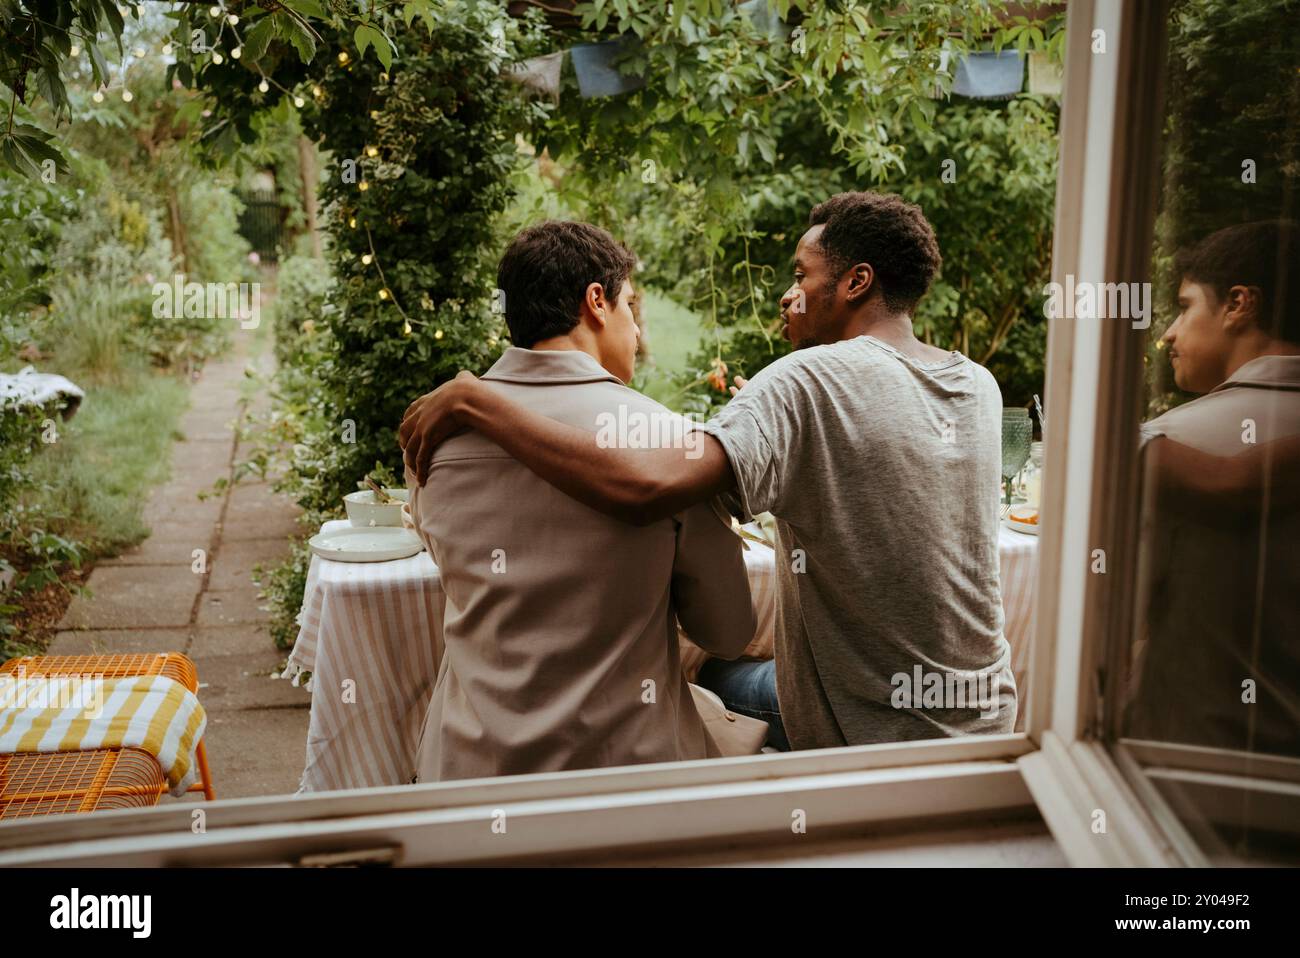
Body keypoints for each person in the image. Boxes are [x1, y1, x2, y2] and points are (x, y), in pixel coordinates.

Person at [401, 192, 1017, 750]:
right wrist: (767, 429)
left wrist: (479, 400)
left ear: (857, 282)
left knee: (713, 671)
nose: (787, 294)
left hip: (871, 731)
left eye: (802, 276)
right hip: (985, 716)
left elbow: (644, 487)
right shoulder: (976, 385)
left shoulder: (805, 382)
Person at [406, 220, 756, 782]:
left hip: (467, 772)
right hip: (628, 776)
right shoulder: (667, 443)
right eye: (631, 308)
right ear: (597, 302)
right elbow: (728, 632)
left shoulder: (432, 438)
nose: (637, 334)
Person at [1130, 220, 1300, 756]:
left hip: (1191, 768)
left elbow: (1108, 628)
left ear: (1238, 304)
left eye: (1184, 307)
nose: (1168, 334)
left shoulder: (1171, 441)